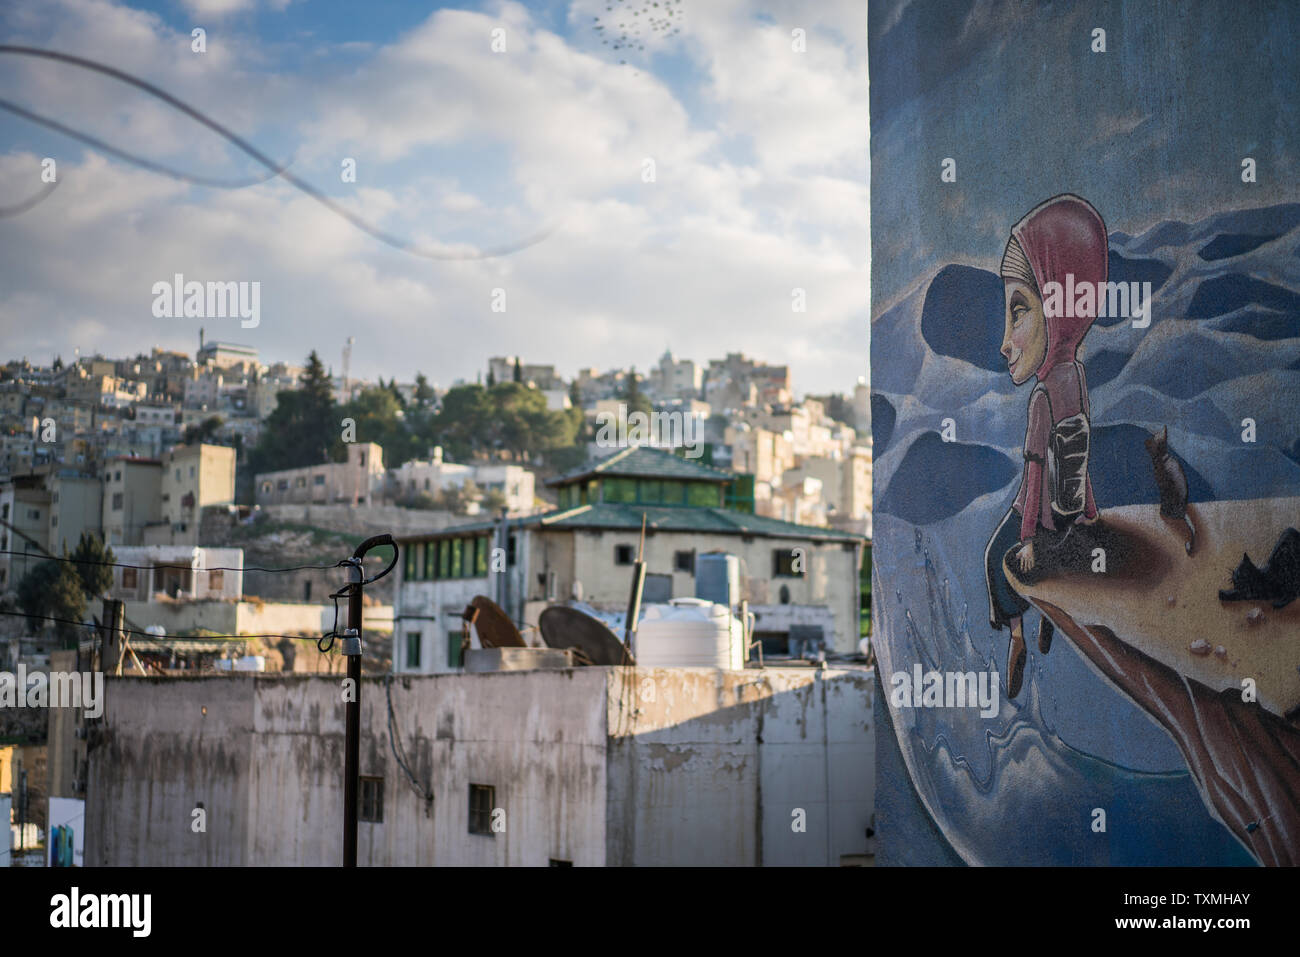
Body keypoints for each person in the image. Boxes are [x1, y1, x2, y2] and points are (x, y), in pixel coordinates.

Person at [984, 194, 1106, 699]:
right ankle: (1049, 617)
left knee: (997, 557)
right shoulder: (1075, 376)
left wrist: (1028, 536)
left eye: (1019, 313)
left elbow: (1035, 473)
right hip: (1072, 516)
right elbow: (1080, 456)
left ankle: (1016, 634)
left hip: (1040, 518)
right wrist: (1089, 517)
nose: (1005, 341)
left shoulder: (1040, 398)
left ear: (1058, 307)